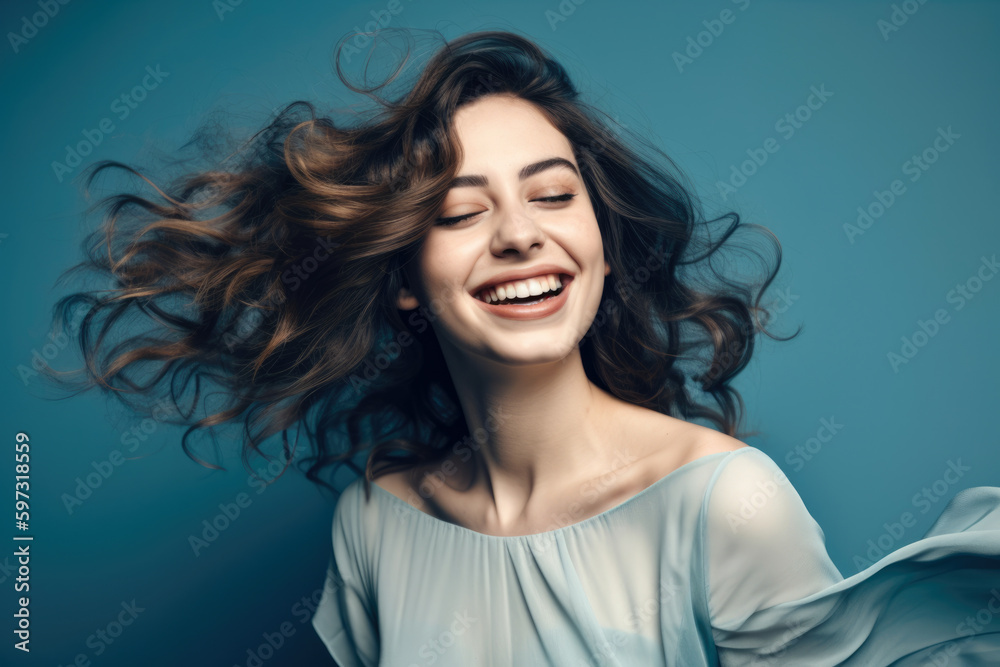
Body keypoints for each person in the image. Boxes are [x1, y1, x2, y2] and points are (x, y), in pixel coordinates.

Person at [49, 27, 1000, 666]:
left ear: (599, 239)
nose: (520, 234)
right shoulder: (375, 522)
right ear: (407, 281)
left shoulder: (725, 503)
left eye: (553, 195)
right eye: (462, 211)